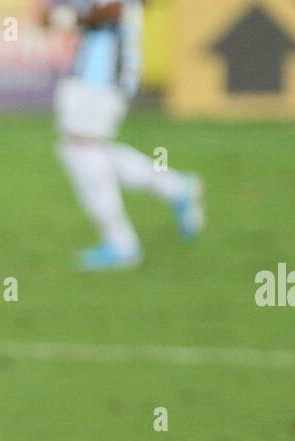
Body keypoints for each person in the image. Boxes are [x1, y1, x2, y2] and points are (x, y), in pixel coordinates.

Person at [39, 0, 204, 270]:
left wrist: (68, 16)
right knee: (89, 149)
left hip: (105, 73)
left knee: (80, 149)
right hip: (93, 70)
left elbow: (115, 9)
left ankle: (120, 243)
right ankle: (177, 188)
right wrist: (61, 15)